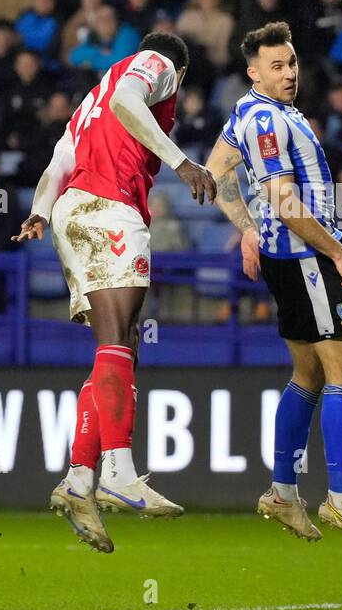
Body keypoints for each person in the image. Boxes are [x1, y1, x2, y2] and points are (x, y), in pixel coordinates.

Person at [14, 32, 216, 553]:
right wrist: (181, 162)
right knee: (120, 339)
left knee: (119, 343)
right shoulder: (157, 64)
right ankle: (118, 472)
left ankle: (80, 477)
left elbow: (57, 165)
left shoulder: (88, 104)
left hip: (72, 211)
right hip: (108, 208)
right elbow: (131, 99)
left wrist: (39, 211)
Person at [204, 21, 342, 547]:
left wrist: (246, 230)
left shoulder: (249, 111)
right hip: (310, 258)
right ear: (254, 71)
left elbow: (214, 171)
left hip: (290, 261)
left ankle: (283, 493)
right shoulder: (266, 120)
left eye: (292, 64)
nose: (289, 74)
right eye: (277, 66)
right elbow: (285, 203)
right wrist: (340, 253)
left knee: (307, 374)